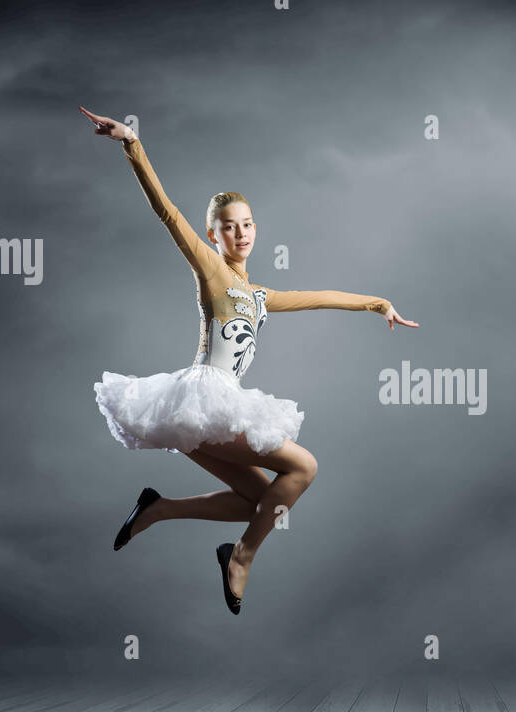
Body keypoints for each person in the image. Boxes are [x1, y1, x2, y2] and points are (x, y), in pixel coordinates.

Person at [79, 106, 419, 614]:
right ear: (213, 236)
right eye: (227, 228)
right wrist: (132, 143)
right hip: (203, 398)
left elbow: (315, 295)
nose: (239, 234)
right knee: (303, 468)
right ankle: (241, 557)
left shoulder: (258, 295)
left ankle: (158, 509)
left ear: (255, 229)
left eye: (245, 225)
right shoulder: (211, 272)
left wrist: (376, 303)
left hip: (208, 410)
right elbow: (167, 213)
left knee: (262, 503)